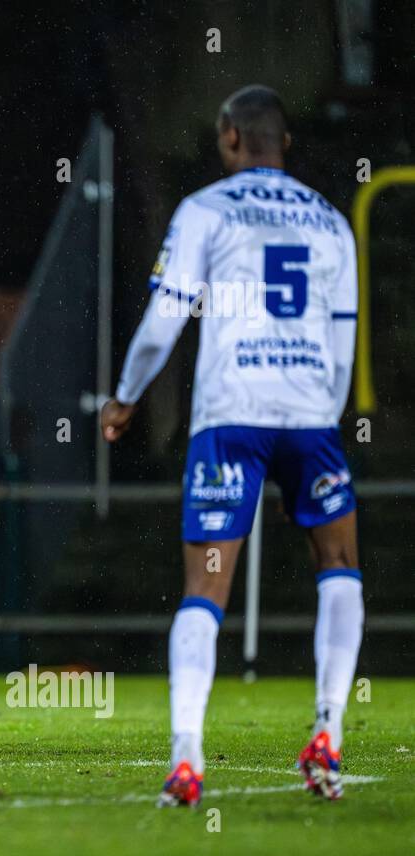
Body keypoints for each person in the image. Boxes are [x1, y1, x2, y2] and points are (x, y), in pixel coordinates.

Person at [101, 86, 362, 806]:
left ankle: (187, 759)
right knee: (339, 566)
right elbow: (343, 343)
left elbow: (163, 321)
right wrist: (320, 434)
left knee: (204, 588)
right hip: (311, 419)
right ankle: (328, 735)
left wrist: (125, 396)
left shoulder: (206, 211)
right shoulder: (334, 223)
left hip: (231, 419)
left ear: (229, 139)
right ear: (286, 145)